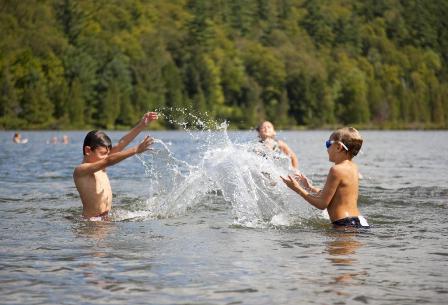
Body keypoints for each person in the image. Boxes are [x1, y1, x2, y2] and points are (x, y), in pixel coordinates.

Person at [73, 112, 158, 220]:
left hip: (106, 219)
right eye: (103, 153)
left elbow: (122, 143)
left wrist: (142, 125)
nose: (106, 156)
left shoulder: (101, 164)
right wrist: (136, 150)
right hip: (92, 223)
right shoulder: (81, 170)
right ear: (88, 150)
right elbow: (108, 160)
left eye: (107, 153)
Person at [281, 127, 369, 228]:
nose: (327, 149)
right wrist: (309, 187)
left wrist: (297, 188)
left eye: (328, 144)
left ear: (338, 147)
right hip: (359, 221)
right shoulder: (353, 167)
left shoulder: (336, 170)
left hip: (345, 224)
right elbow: (336, 196)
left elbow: (322, 204)